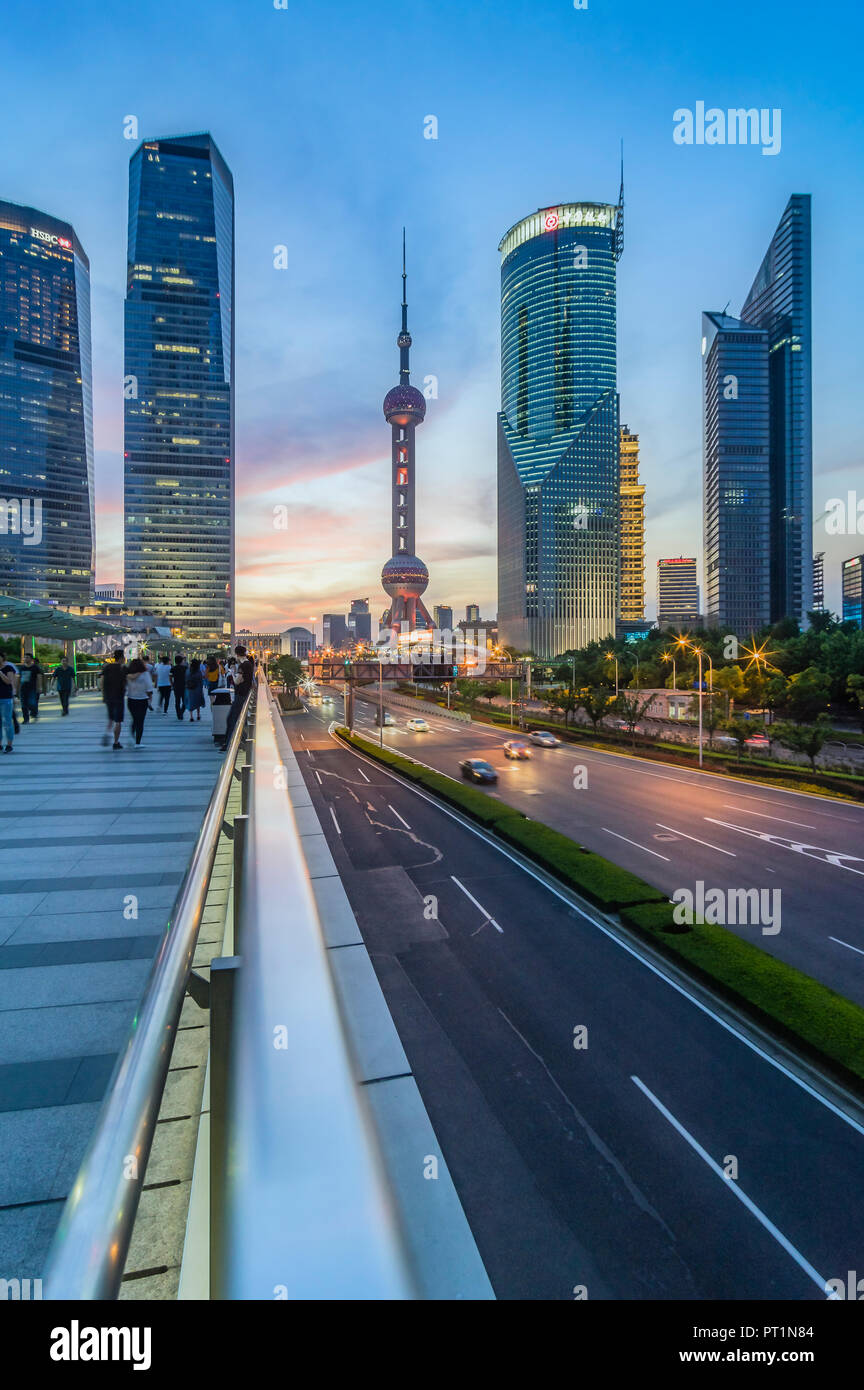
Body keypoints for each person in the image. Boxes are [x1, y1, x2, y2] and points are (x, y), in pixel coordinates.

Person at [220, 644, 254, 751]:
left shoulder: (243, 666)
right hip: (244, 693)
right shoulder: (249, 664)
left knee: (232, 719)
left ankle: (229, 743)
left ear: (236, 654)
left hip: (240, 695)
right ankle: (238, 740)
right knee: (237, 719)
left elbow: (236, 681)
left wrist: (232, 672)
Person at [101, 648, 127, 749]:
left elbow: (102, 681)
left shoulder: (107, 667)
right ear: (122, 658)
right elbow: (128, 680)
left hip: (108, 697)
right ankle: (116, 742)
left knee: (111, 718)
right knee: (118, 721)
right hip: (119, 697)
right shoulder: (123, 668)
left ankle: (107, 733)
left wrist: (103, 695)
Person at [125, 657, 154, 746]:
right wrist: (150, 698)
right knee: (140, 721)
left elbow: (125, 687)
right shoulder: (145, 674)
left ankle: (132, 735)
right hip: (142, 700)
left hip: (131, 700)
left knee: (135, 719)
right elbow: (149, 687)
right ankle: (138, 742)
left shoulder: (128, 675)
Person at [0, 650, 18, 752]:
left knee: (7, 721)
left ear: (2, 658)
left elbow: (9, 682)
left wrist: (0, 673)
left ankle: (9, 744)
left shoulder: (8, 668)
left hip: (6, 698)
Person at [19, 654, 43, 723]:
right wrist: (16, 688)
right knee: (23, 705)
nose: (25, 659)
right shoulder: (22, 668)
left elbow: (39, 677)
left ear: (31, 659)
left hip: (32, 688)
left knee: (32, 703)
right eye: (25, 657)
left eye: (27, 657)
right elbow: (18, 678)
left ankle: (34, 712)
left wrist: (40, 687)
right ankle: (26, 719)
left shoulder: (35, 668)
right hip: (23, 688)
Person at [171, 654, 187, 720]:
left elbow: (170, 677)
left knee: (177, 701)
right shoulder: (185, 668)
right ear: (181, 661)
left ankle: (178, 714)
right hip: (184, 686)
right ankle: (181, 712)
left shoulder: (173, 668)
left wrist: (172, 684)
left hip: (176, 686)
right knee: (185, 701)